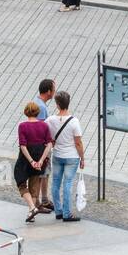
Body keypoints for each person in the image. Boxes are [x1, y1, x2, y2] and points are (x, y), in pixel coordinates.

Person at [46, 90, 84, 222]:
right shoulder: (74, 122)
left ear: (57, 104)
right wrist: (82, 158)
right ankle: (67, 213)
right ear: (68, 103)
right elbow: (78, 143)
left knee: (55, 183)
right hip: (72, 157)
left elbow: (46, 133)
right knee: (67, 184)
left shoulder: (50, 120)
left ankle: (58, 211)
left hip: (57, 155)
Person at [15, 100, 53, 221]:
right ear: (38, 112)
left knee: (21, 181)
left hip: (25, 159)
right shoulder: (44, 126)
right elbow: (49, 144)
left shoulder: (22, 126)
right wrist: (41, 160)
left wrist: (31, 161)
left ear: (26, 112)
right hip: (40, 156)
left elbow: (23, 145)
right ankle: (31, 213)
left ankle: (32, 208)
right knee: (34, 185)